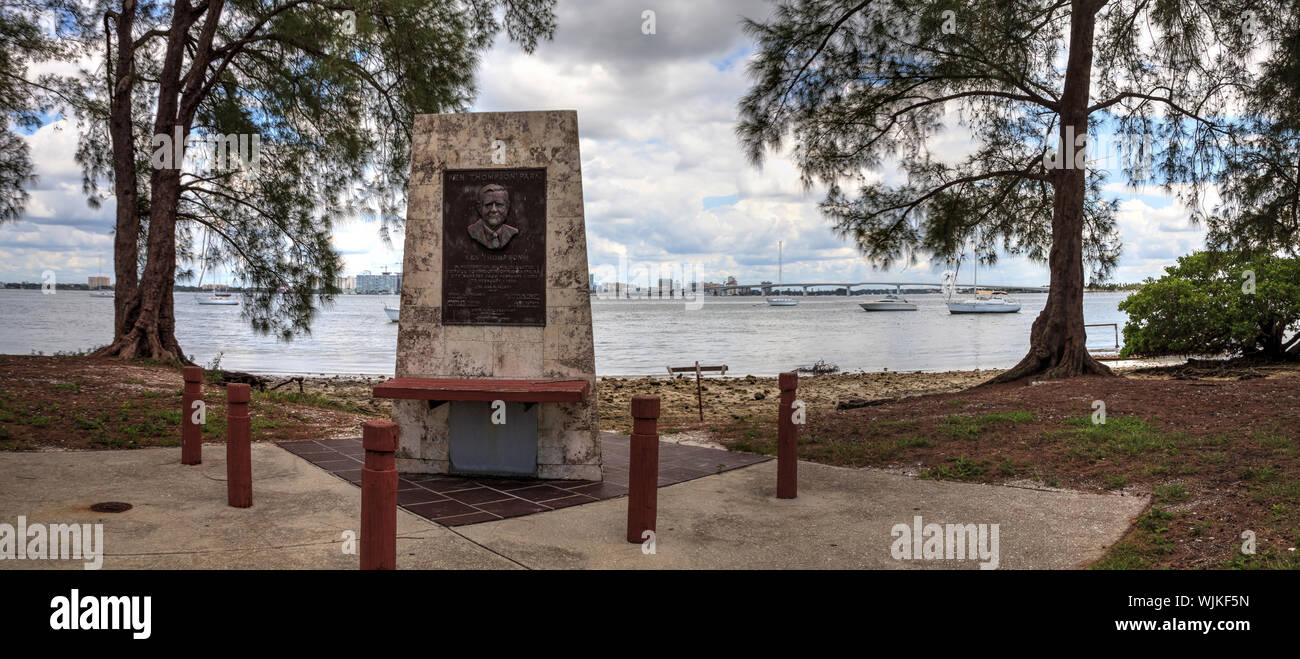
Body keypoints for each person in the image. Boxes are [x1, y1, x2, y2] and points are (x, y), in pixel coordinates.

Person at [466, 183, 519, 249]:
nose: (493, 210)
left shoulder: (512, 232)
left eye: (499, 205)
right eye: (488, 205)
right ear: (479, 208)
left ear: (507, 207)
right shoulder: (472, 231)